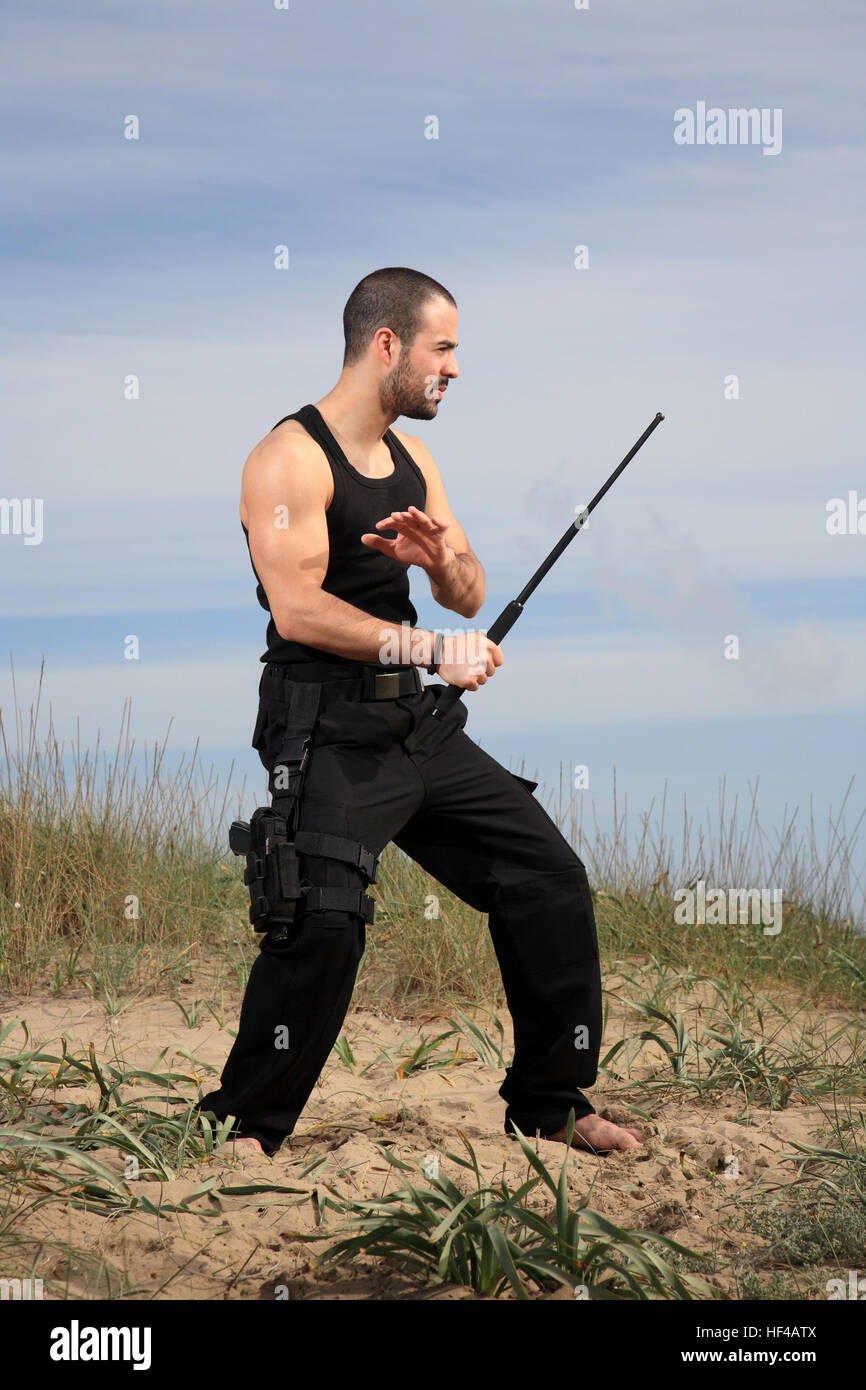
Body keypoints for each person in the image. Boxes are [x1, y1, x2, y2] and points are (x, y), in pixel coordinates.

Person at [197, 267, 642, 1157]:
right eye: (444, 348)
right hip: (323, 729)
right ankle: (246, 1124)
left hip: (416, 729)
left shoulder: (415, 459)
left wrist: (441, 569)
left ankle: (549, 1103)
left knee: (548, 880)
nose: (455, 369)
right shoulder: (287, 457)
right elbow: (301, 612)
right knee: (321, 919)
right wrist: (433, 648)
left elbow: (471, 595)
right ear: (387, 345)